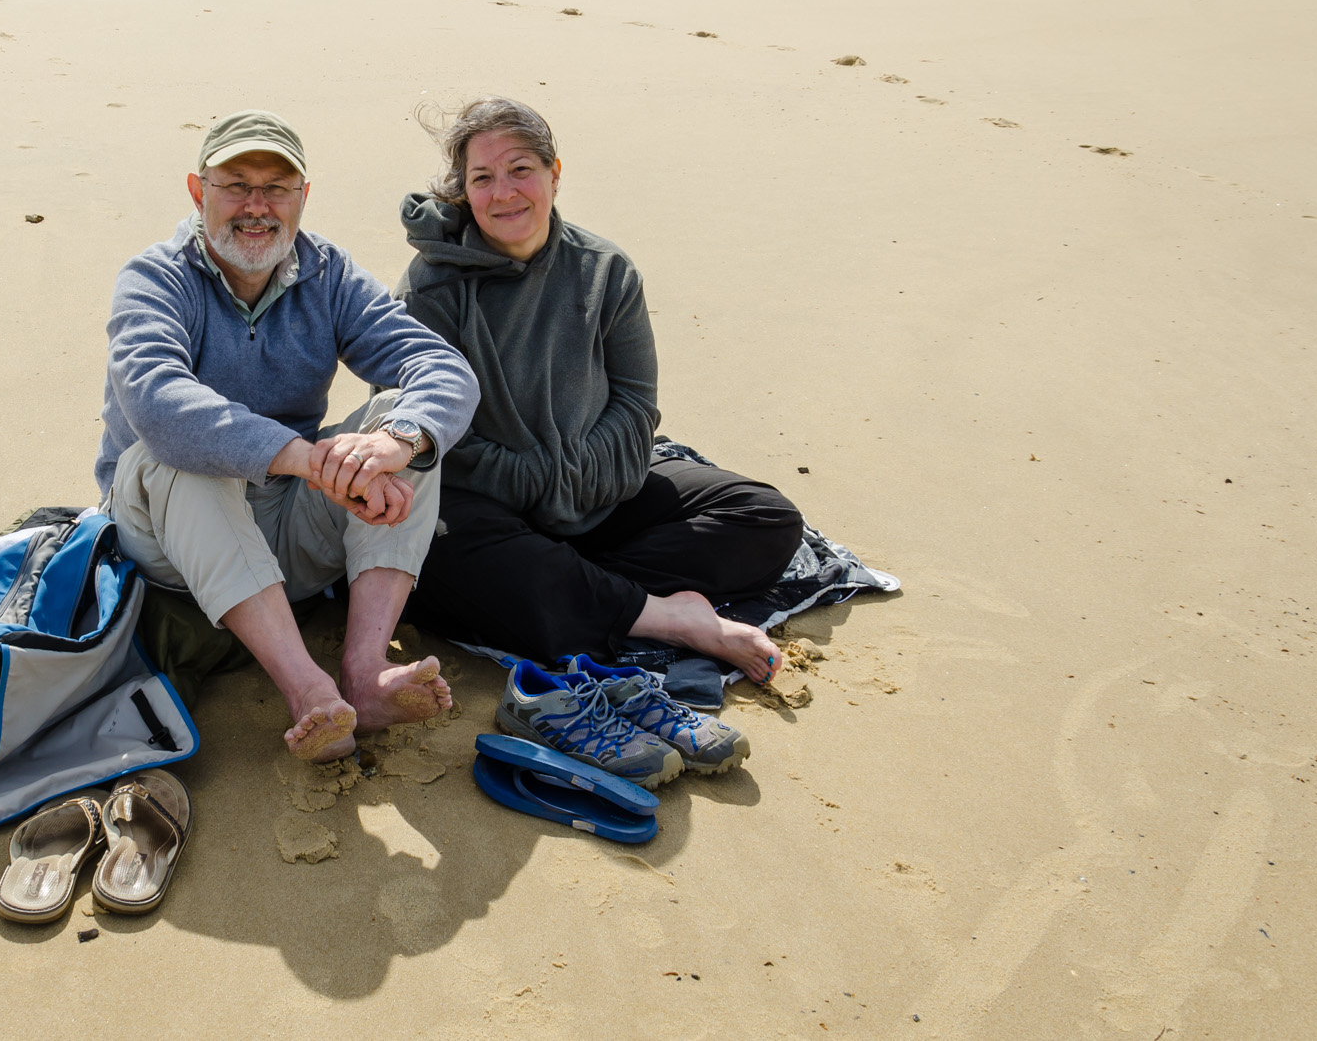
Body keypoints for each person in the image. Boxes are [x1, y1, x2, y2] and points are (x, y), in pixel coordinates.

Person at [98, 110, 481, 762]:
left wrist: (396, 441)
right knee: (176, 456)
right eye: (235, 184)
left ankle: (363, 674)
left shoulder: (327, 273)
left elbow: (440, 368)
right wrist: (306, 459)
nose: (256, 206)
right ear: (198, 191)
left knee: (397, 417)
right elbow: (159, 404)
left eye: (276, 188)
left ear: (303, 197)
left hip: (288, 534)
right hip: (171, 543)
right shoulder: (155, 278)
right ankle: (307, 688)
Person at [394, 96, 803, 683]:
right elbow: (424, 428)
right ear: (464, 191)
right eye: (482, 178)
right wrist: (535, 479)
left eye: (520, 170)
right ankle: (662, 613)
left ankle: (577, 590)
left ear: (554, 174)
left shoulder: (606, 270)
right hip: (489, 500)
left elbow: (637, 403)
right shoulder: (431, 286)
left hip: (597, 486)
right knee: (439, 562)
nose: (504, 192)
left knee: (765, 518)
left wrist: (575, 478)